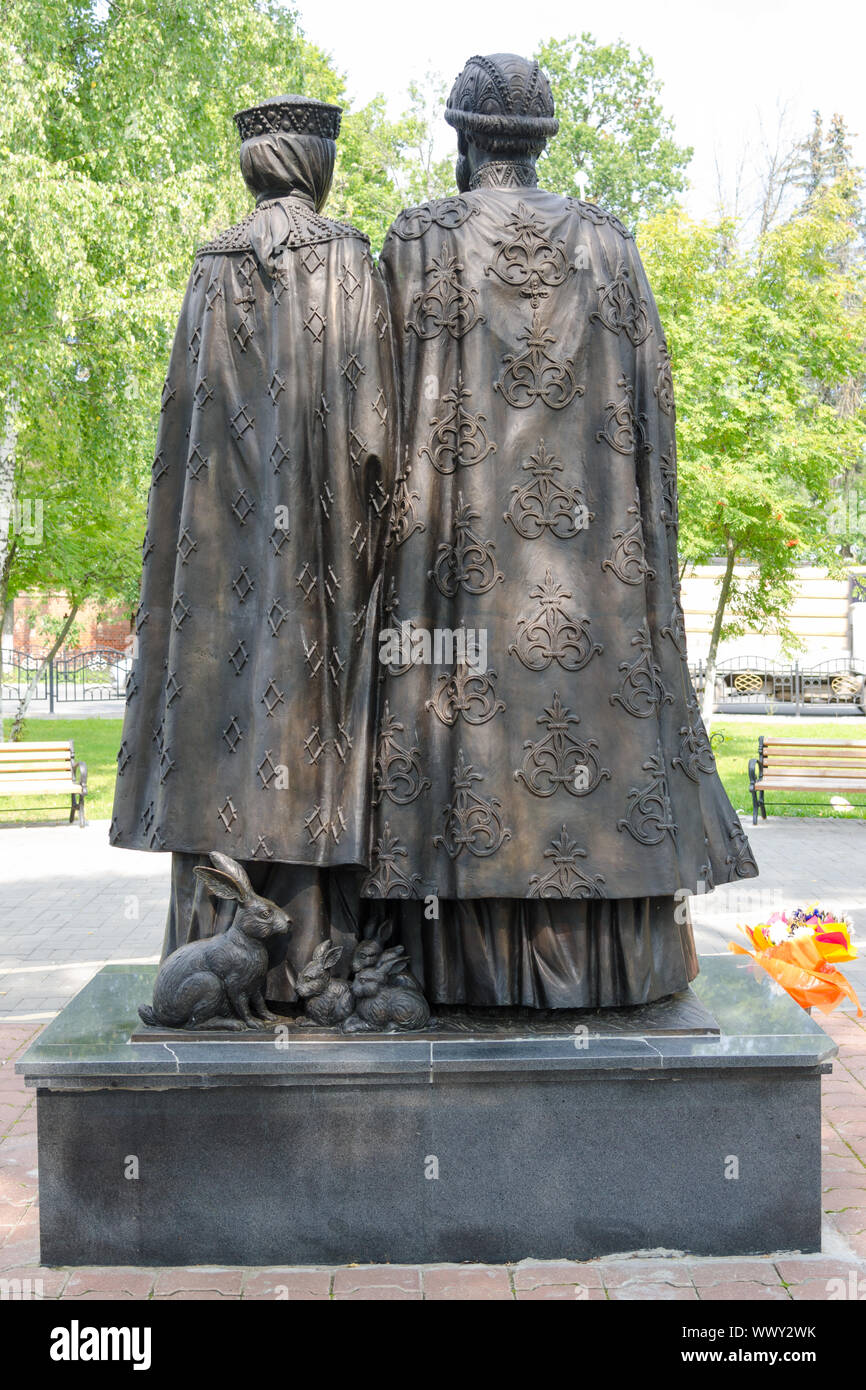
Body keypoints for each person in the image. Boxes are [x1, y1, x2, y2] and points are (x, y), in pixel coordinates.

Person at [363, 53, 758, 1008]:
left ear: (463, 141)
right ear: (541, 146)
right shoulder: (611, 244)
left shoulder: (421, 239)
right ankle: (619, 963)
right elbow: (655, 427)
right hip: (598, 577)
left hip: (461, 577)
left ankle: (465, 967)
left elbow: (369, 428)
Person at [111, 96, 396, 999]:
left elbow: (185, 432)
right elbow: (377, 427)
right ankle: (312, 958)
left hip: (220, 557)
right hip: (322, 555)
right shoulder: (350, 258)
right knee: (313, 726)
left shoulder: (208, 268)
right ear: (318, 165)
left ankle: (211, 939)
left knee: (228, 717)